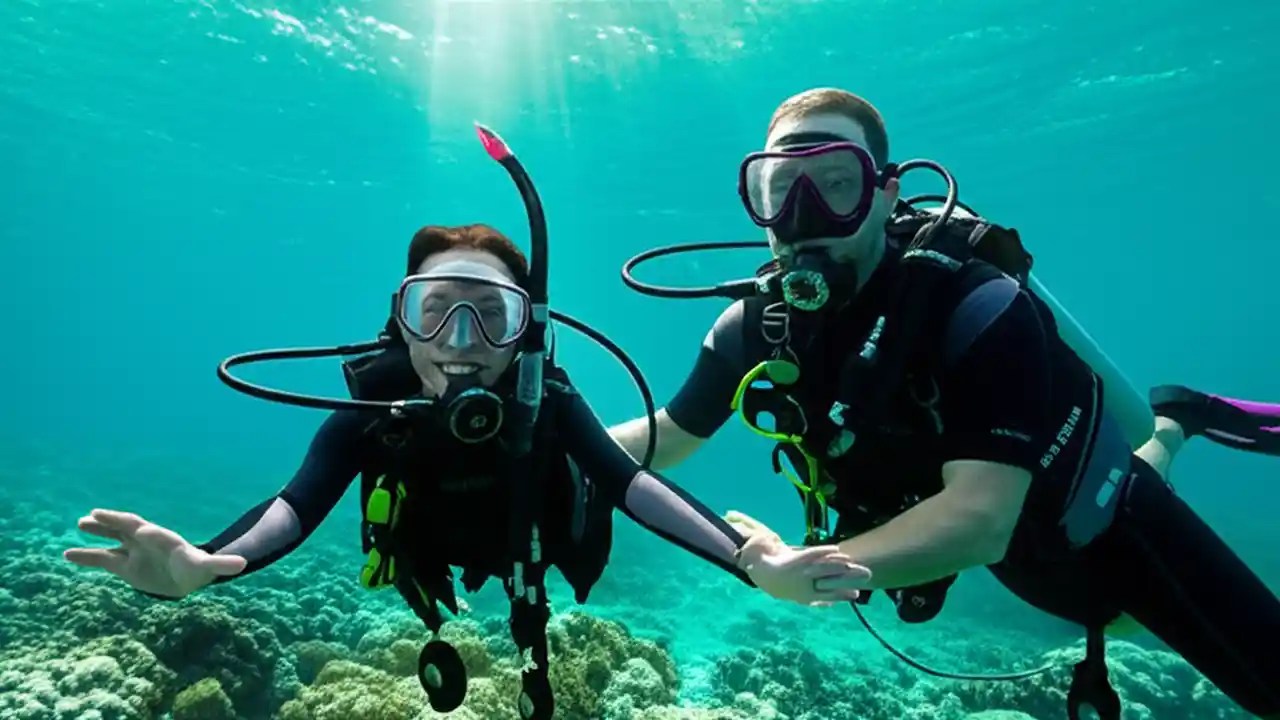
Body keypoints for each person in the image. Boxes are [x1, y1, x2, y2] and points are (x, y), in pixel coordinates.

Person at [63, 127, 870, 720]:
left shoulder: (542, 397)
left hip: (540, 539)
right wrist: (209, 562)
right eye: (435, 312)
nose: (460, 343)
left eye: (492, 317)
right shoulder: (371, 412)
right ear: (399, 326)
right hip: (431, 557)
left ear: (526, 330)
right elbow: (294, 506)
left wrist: (750, 562)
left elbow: (631, 485)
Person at [609, 88, 1280, 719]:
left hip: (1090, 513)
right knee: (1109, 616)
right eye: (779, 190)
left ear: (885, 193)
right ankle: (1174, 419)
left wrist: (798, 571)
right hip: (1000, 553)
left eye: (838, 184)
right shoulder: (756, 326)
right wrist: (565, 436)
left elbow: (982, 518)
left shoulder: (979, 308)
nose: (804, 216)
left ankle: (1172, 423)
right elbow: (674, 432)